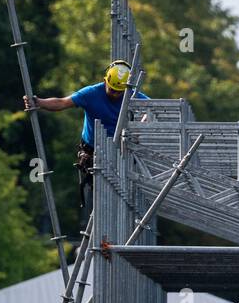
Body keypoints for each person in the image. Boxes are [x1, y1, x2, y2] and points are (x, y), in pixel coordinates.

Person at [22, 60, 149, 206]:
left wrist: (144, 121)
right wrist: (39, 102)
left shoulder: (132, 96)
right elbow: (62, 102)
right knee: (101, 195)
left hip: (121, 152)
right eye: (111, 89)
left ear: (126, 89)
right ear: (105, 81)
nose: (114, 93)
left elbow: (153, 109)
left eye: (118, 91)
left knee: (123, 196)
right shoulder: (92, 93)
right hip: (93, 150)